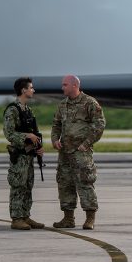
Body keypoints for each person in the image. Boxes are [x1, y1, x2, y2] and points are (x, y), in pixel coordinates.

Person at [51, 74, 105, 229]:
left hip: (81, 153)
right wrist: (55, 140)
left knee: (85, 183)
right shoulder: (62, 105)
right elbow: (56, 125)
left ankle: (90, 219)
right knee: (65, 183)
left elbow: (100, 124)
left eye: (65, 84)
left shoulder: (89, 103)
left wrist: (87, 143)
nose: (62, 87)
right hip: (65, 152)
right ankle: (68, 218)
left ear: (75, 85)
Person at [3, 77, 45, 231]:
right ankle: (16, 218)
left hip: (28, 156)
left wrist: (38, 148)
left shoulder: (27, 110)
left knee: (28, 186)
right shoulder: (12, 110)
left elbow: (35, 133)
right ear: (23, 90)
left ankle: (25, 215)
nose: (33, 90)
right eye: (31, 88)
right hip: (19, 156)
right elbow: (9, 133)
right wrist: (26, 137)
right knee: (18, 186)